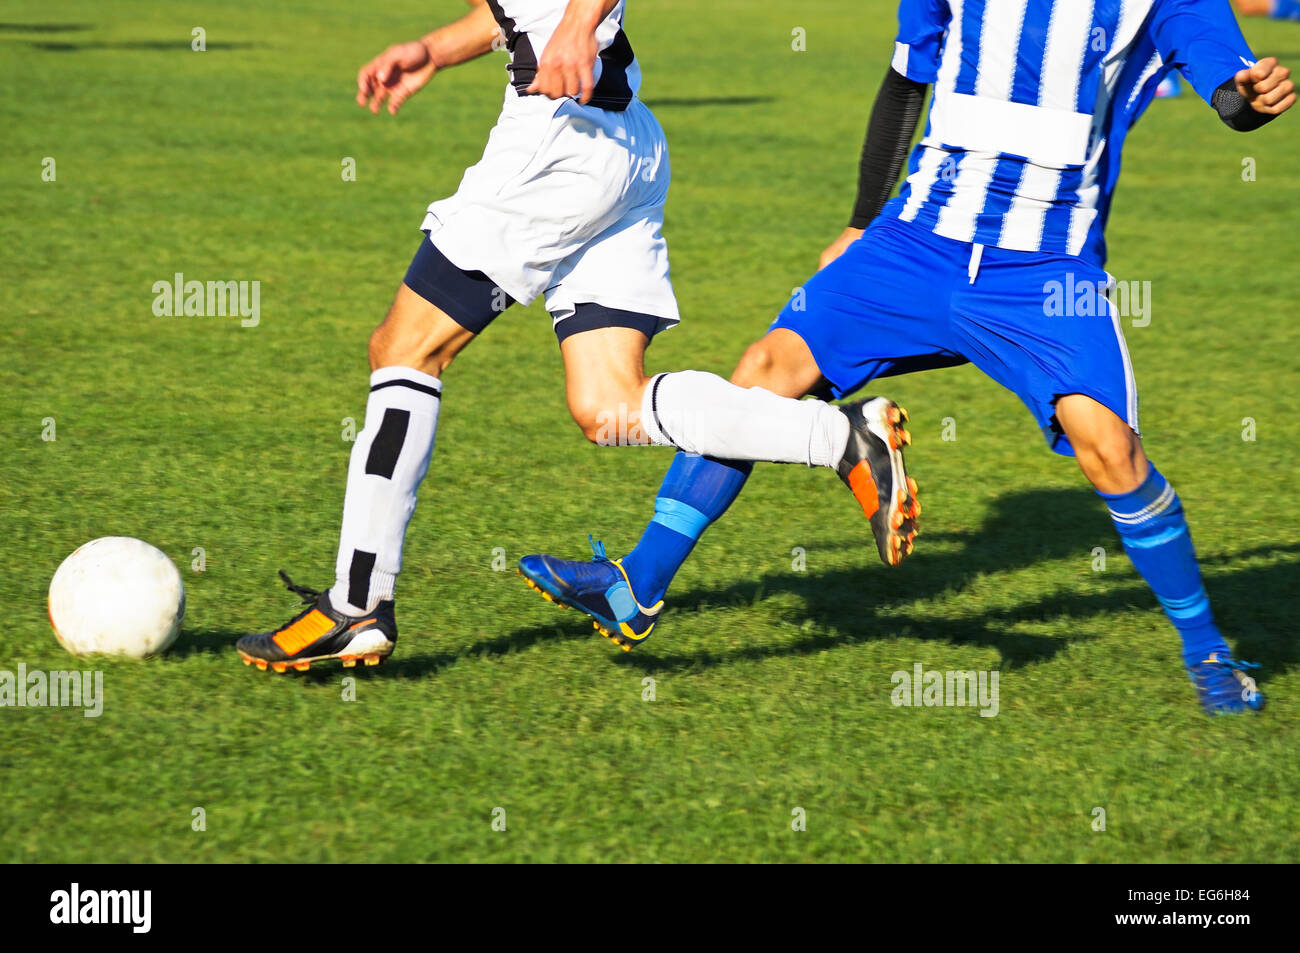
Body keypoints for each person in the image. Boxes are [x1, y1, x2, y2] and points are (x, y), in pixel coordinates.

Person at [520, 0, 1293, 715]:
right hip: (912, 243)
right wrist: (862, 222)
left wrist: (1249, 98)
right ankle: (635, 587)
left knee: (1109, 448)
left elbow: (1227, 89)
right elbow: (904, 80)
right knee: (764, 373)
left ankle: (1209, 653)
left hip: (1045, 269)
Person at [236, 1, 918, 673]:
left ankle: (358, 603)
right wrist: (436, 50)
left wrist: (578, 23)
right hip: (621, 146)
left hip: (555, 143)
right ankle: (842, 439)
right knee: (608, 406)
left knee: (405, 350)